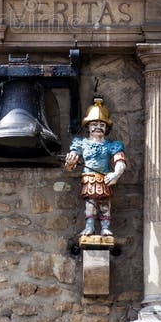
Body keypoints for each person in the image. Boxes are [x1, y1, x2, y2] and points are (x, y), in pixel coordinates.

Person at [64, 96, 126, 237]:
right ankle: (90, 227)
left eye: (102, 125)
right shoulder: (81, 143)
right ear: (88, 127)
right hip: (89, 178)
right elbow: (71, 163)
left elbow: (120, 161)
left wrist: (116, 174)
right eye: (94, 124)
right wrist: (70, 161)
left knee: (104, 204)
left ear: (106, 128)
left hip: (105, 178)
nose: (98, 127)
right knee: (90, 204)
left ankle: (105, 227)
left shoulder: (111, 145)